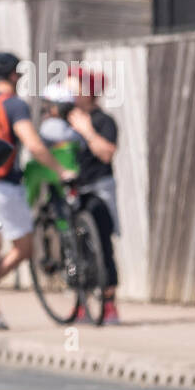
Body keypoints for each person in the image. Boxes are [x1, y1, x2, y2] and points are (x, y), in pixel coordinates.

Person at [0, 52, 77, 332]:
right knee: (23, 248)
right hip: (5, 186)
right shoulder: (15, 106)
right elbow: (33, 143)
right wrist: (59, 169)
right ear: (14, 75)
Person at [65, 66, 121, 323]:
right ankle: (80, 302)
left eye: (75, 85)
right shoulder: (65, 119)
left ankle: (109, 305)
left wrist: (86, 131)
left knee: (102, 244)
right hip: (73, 189)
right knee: (73, 248)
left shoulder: (103, 121)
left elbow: (107, 152)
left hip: (98, 189)